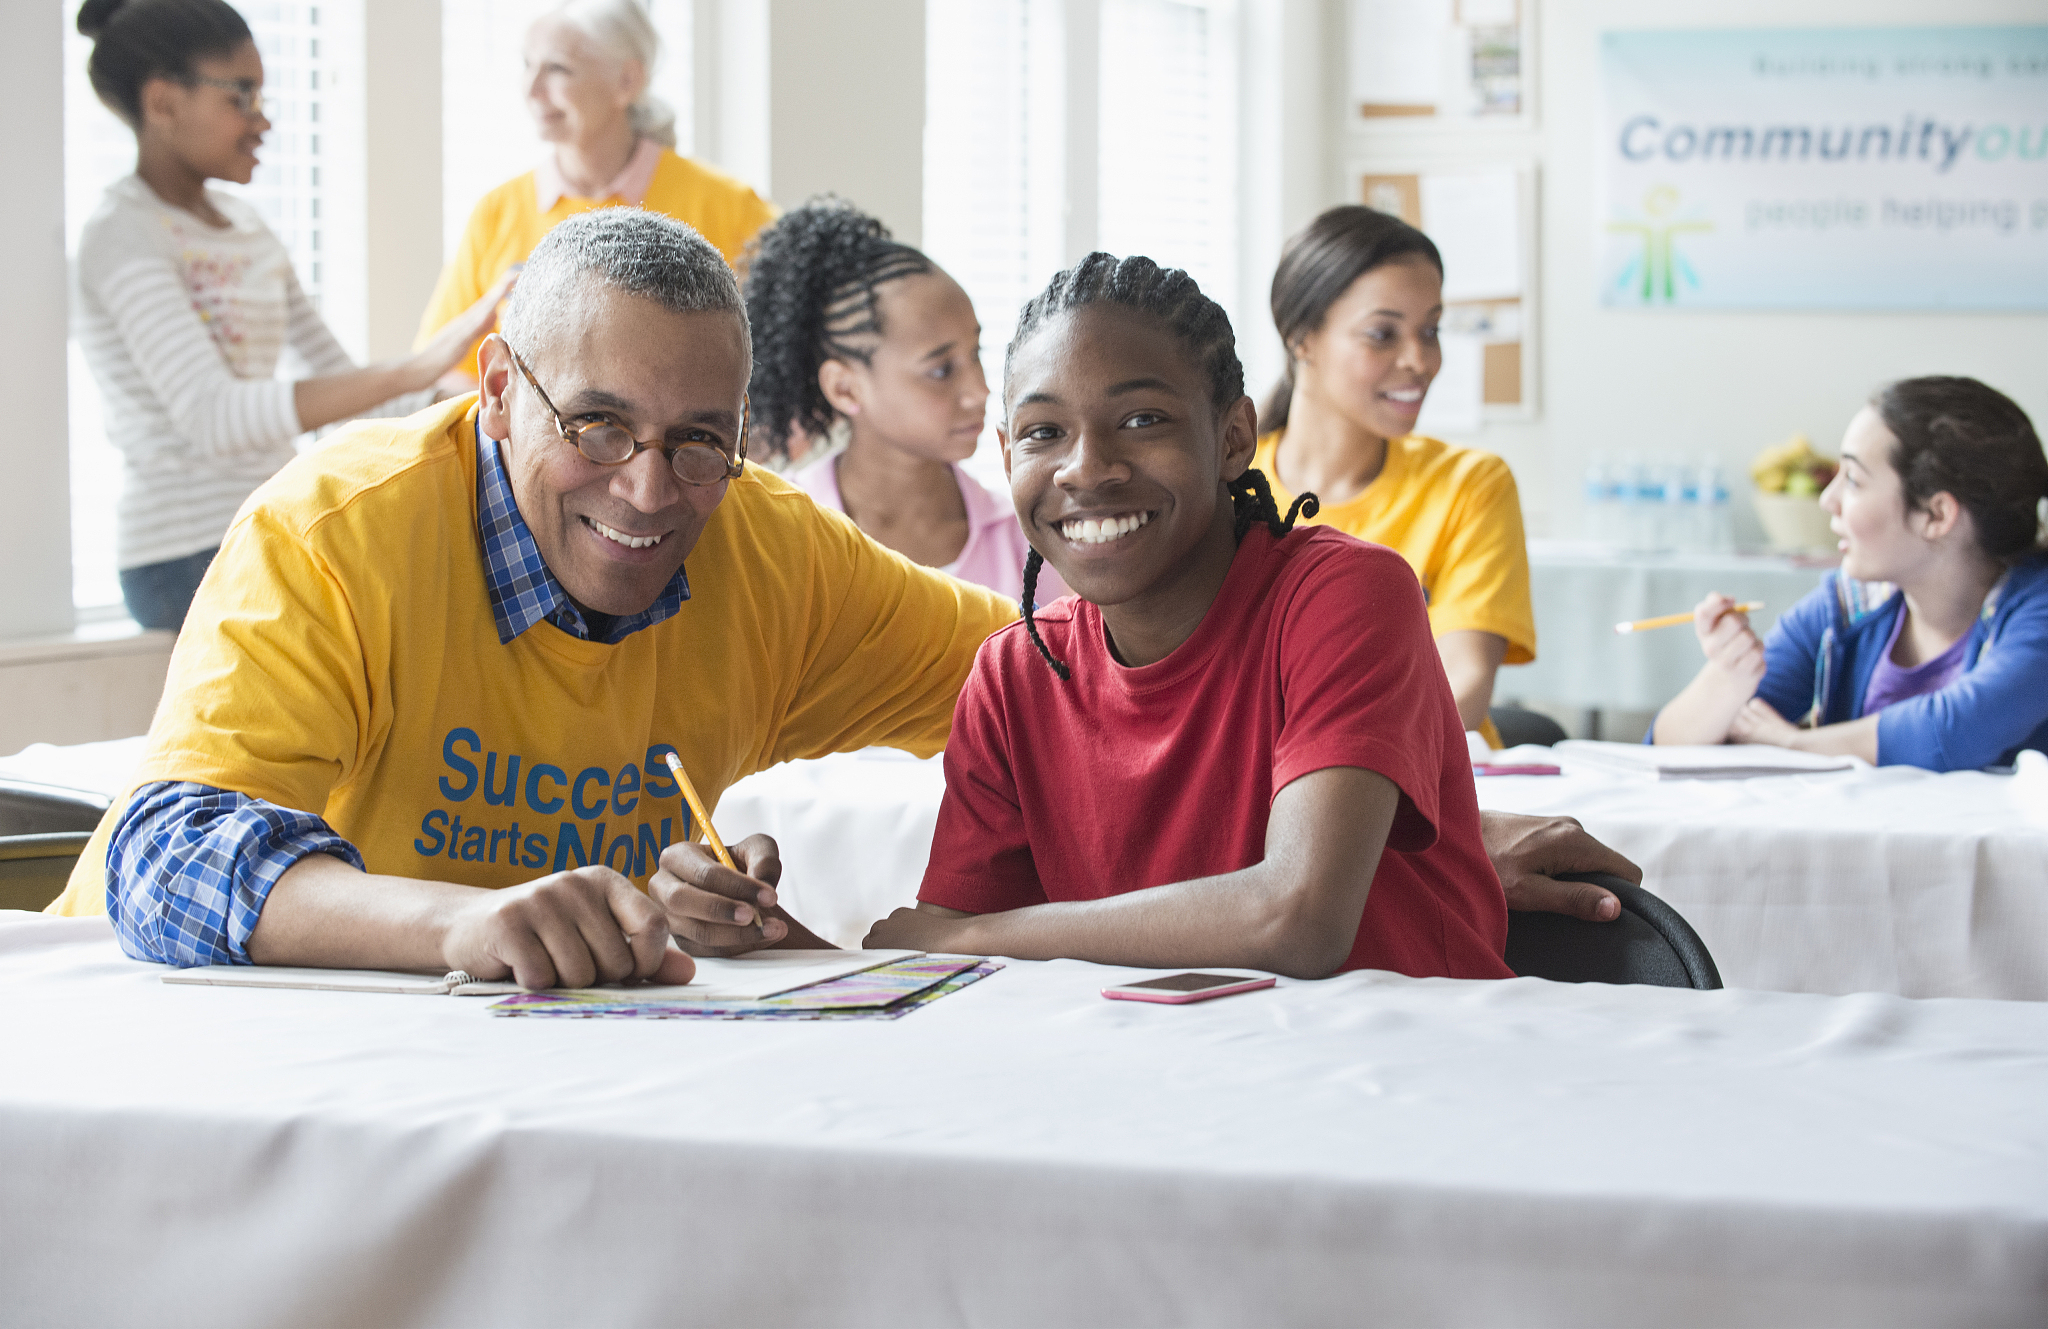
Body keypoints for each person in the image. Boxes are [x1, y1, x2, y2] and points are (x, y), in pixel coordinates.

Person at [50, 212, 1642, 981]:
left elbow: (1100, 683)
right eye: (594, 424)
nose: (648, 489)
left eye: (699, 439)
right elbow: (164, 857)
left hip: (536, 1078)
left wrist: (1405, 809)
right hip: (200, 1056)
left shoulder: (770, 552)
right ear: (497, 388)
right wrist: (465, 920)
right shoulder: (336, 528)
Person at [864, 254, 1521, 978]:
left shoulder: (1344, 595)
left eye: (1143, 420)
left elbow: (1298, 920)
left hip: (1407, 1041)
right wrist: (941, 941)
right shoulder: (1014, 674)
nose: (1086, 467)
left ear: (1234, 438)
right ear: (1005, 453)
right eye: (1043, 432)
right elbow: (954, 964)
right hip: (1170, 1047)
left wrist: (966, 939)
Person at [72, 0, 505, 631]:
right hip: (179, 555)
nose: (263, 120)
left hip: (264, 519)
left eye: (261, 96)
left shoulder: (248, 229)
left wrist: (480, 388)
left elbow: (348, 395)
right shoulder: (123, 233)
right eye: (240, 96)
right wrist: (414, 368)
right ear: (162, 102)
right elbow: (215, 416)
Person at [1652, 377, 2048, 770]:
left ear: (1936, 514)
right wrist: (1727, 677)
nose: (1828, 499)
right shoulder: (1846, 606)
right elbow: (1663, 748)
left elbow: (1956, 731)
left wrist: (1793, 744)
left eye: (1854, 480)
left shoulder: (2037, 609)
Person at [1249, 206, 1536, 745]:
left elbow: (1464, 683)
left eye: (1430, 330)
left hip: (1425, 781)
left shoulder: (1470, 485)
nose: (1420, 360)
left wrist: (1332, 774)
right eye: (1383, 334)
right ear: (1302, 338)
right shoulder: (1222, 490)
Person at [416, 0, 773, 383]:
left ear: (627, 81)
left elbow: (785, 354)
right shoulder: (495, 213)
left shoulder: (730, 206)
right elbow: (440, 371)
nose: (531, 89)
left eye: (557, 69)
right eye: (527, 64)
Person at [743, 197, 1063, 602]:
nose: (980, 391)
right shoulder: (779, 528)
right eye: (940, 370)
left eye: (975, 353)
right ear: (845, 388)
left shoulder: (1027, 541)